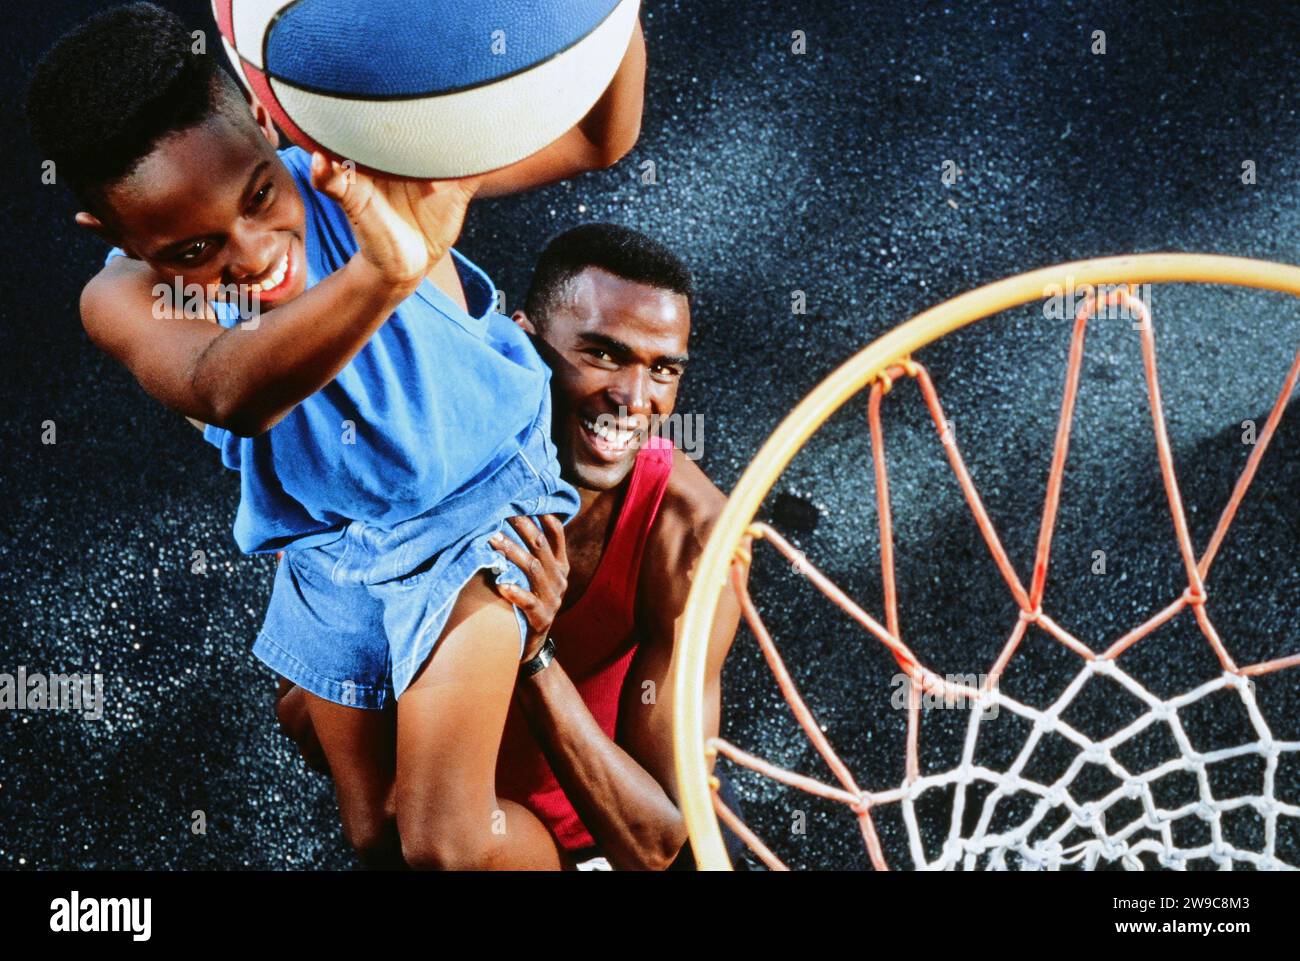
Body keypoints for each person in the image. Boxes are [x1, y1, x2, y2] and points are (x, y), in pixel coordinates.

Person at [26, 2, 645, 870]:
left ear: (259, 115)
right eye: (195, 249)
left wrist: (609, 19)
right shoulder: (120, 300)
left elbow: (593, 138)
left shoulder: (358, 175)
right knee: (374, 833)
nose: (249, 254)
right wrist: (383, 274)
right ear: (115, 234)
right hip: (333, 547)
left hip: (470, 511)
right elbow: (228, 386)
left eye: (258, 196)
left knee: (447, 844)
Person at [280, 225, 747, 869]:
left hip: (588, 840)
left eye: (662, 369)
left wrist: (534, 655)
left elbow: (661, 840)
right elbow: (323, 748)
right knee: (338, 740)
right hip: (444, 826)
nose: (634, 401)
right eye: (604, 355)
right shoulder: (412, 460)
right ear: (523, 336)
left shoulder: (692, 537)